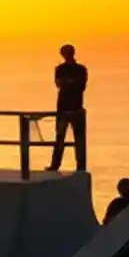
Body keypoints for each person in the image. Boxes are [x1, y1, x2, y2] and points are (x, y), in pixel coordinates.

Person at [46, 44, 88, 172]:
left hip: (72, 108)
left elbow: (79, 84)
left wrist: (67, 82)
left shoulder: (78, 69)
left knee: (73, 138)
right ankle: (57, 164)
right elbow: (60, 83)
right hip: (66, 108)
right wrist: (71, 82)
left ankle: (74, 165)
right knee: (61, 137)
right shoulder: (70, 69)